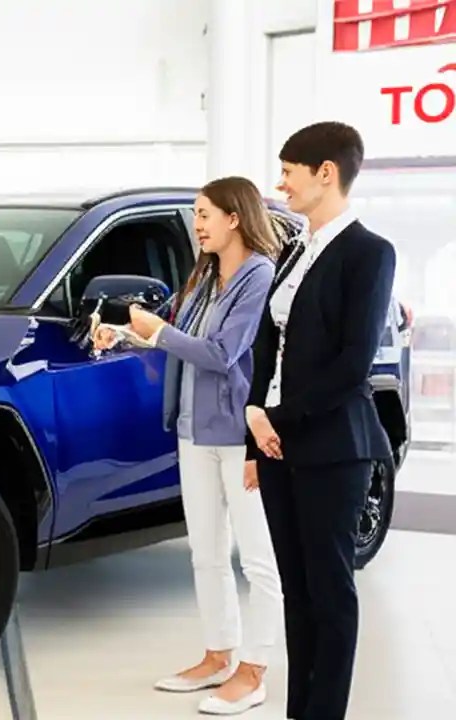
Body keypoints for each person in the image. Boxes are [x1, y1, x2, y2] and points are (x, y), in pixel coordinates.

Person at [95, 177, 282, 716]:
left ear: (234, 218)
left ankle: (254, 670)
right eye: (197, 215)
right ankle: (219, 655)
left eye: (204, 215)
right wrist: (124, 334)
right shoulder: (204, 276)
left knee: (259, 560)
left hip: (238, 434)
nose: (197, 225)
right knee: (206, 552)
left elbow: (221, 353)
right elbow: (181, 340)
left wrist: (157, 331)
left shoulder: (258, 276)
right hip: (192, 429)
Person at [246, 121, 396, 720]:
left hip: (333, 444)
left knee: (330, 593)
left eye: (289, 172)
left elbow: (353, 363)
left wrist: (278, 417)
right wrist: (255, 420)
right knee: (296, 591)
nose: (281, 184)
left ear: (325, 173)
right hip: (277, 442)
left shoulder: (369, 252)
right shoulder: (294, 248)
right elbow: (268, 342)